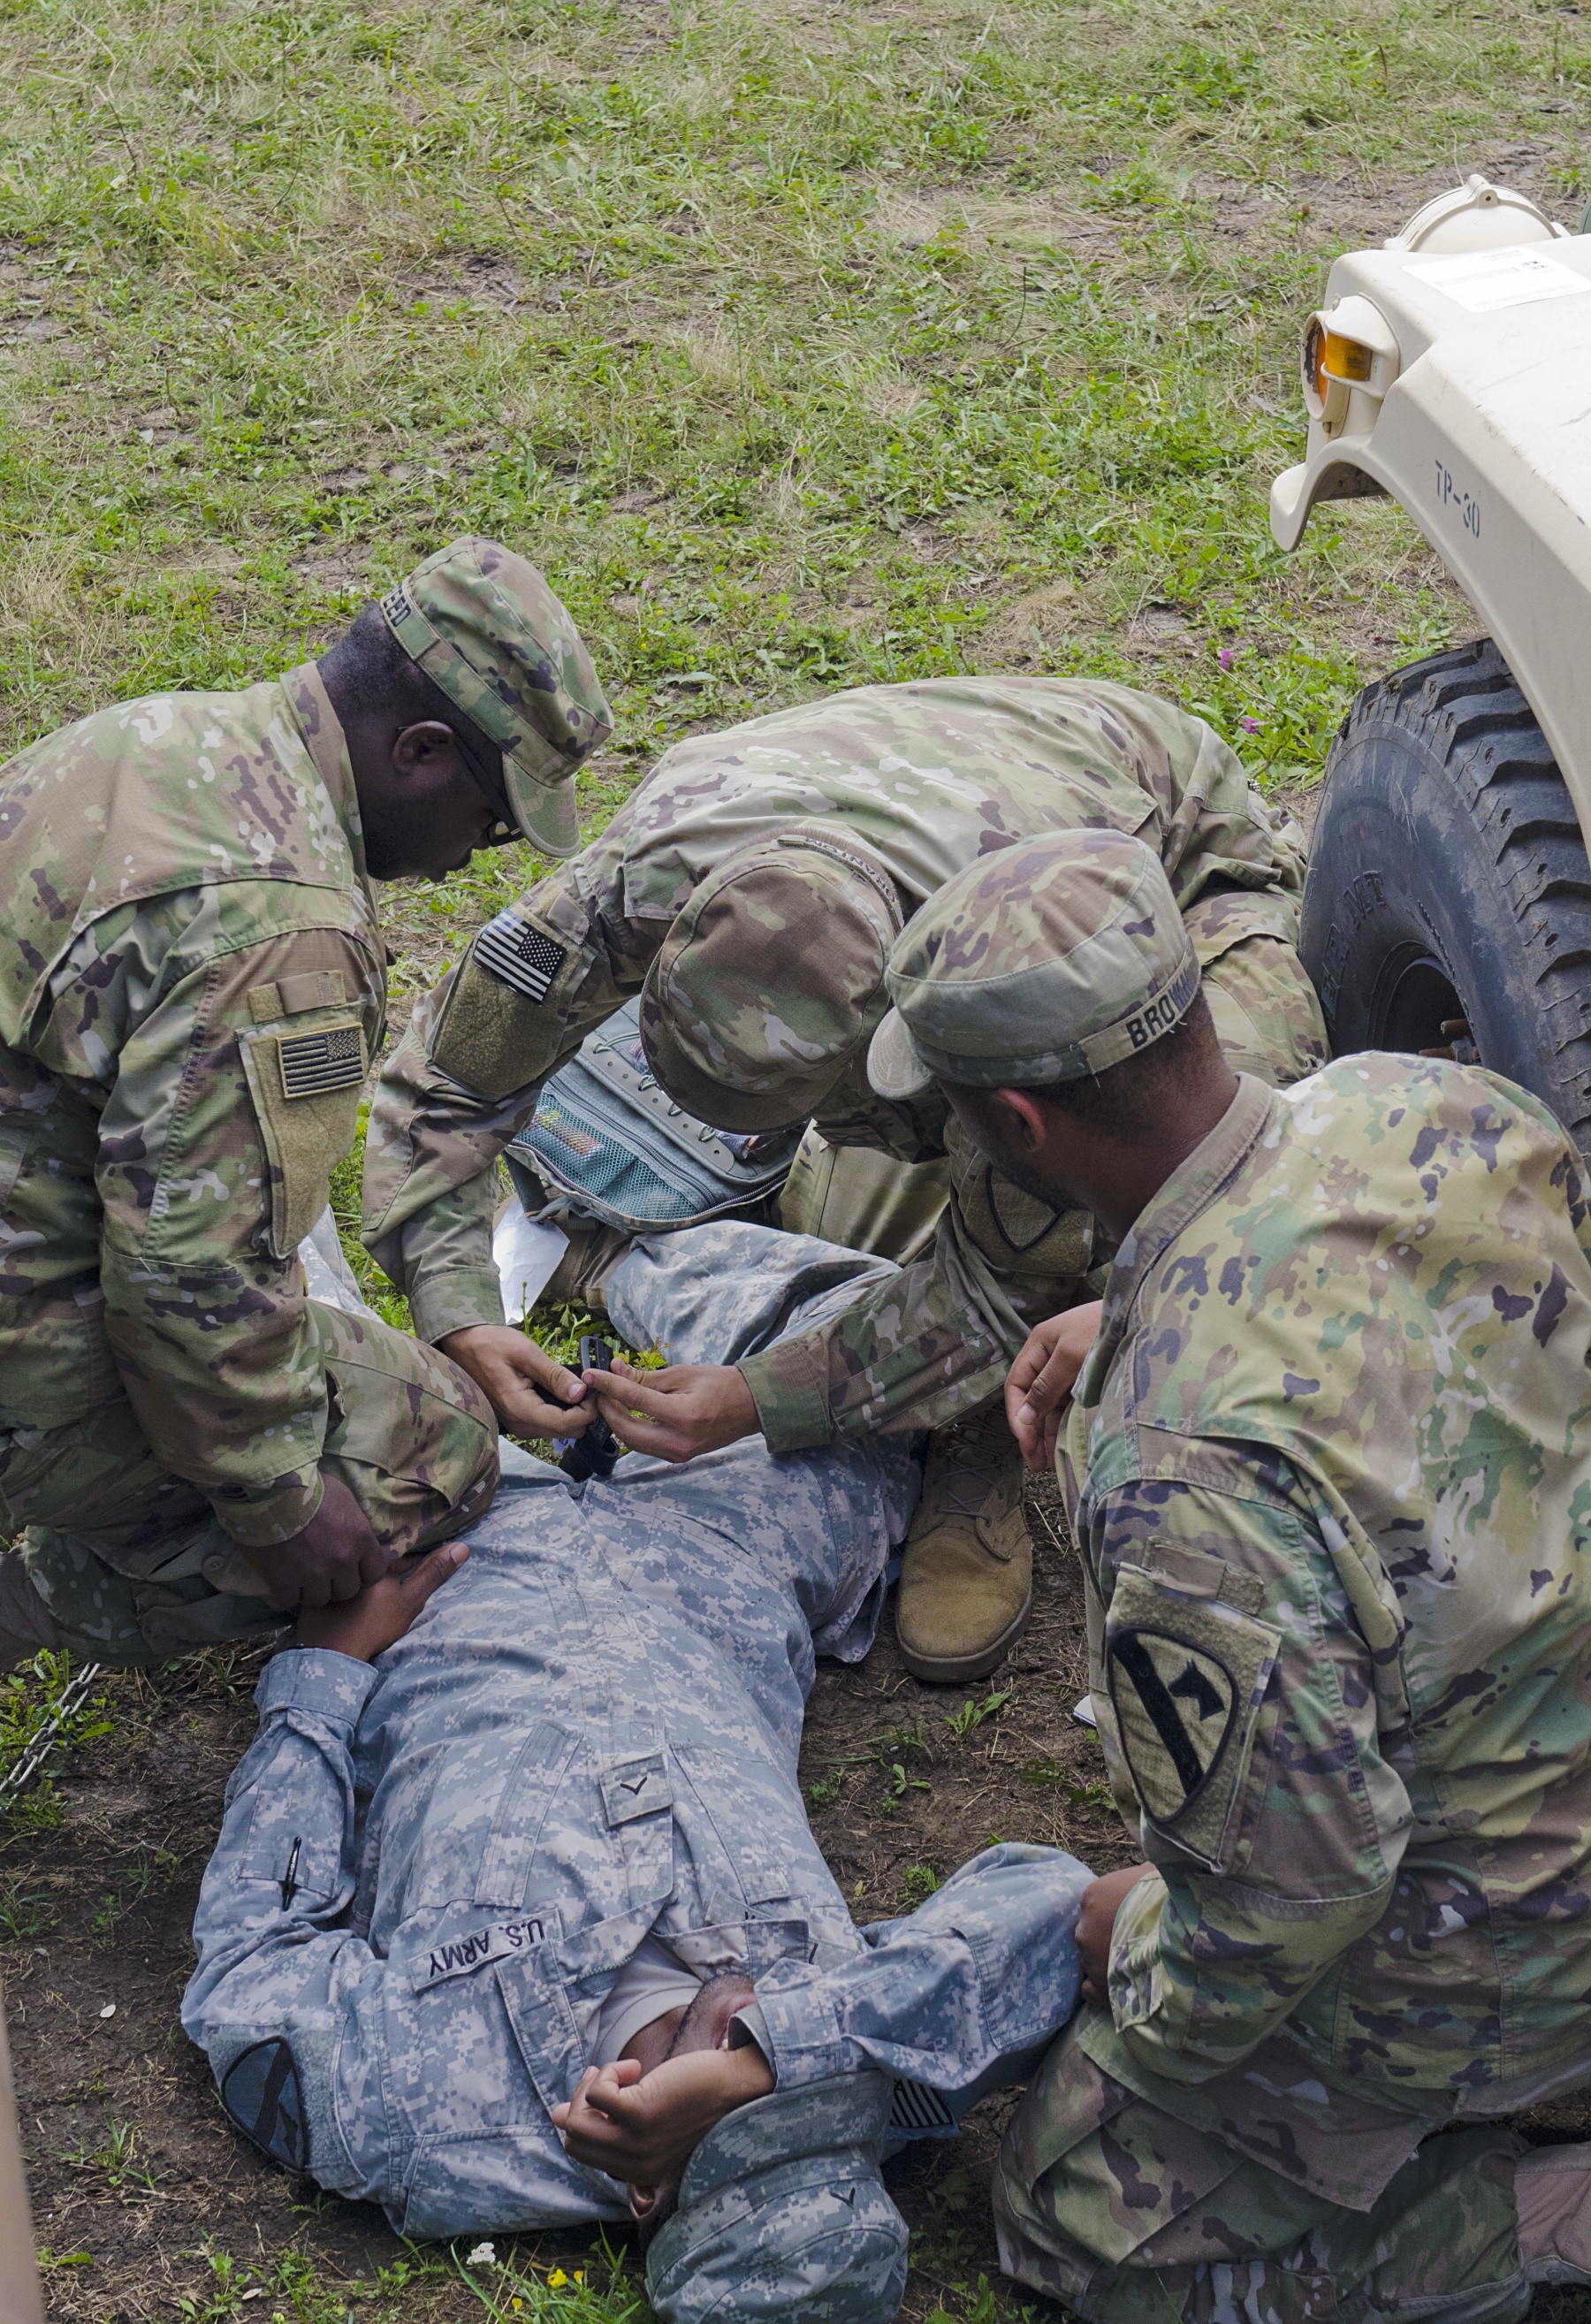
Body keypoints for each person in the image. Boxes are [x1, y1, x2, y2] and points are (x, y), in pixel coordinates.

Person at [859, 822, 1591, 2321]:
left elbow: (1289, 1898)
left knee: (1078, 2215)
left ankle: (1530, 2212)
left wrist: (1124, 1939)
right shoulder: (1429, 1102)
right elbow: (1401, 1353)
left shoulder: (1184, 1458)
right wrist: (1135, 1311)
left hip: (1506, 1943)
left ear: (1015, 1118)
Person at [180, 1223, 1094, 2321]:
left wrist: (324, 1671)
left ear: (650, 2187)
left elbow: (247, 1974)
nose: (761, 2024)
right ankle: (606, 1245)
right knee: (867, 1333)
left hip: (446, 1573)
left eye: (746, 2099)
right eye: (796, 2090)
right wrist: (782, 2057)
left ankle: (300, 1240)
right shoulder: (847, 2064)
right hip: (726, 1563)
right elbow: (1056, 1905)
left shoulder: (431, 2120)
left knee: (233, 1322)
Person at [362, 676, 1328, 1682]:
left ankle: (983, 1441)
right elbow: (447, 1079)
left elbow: (1001, 1283)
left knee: (1168, 1199)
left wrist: (753, 1399)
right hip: (935, 784)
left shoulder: (1013, 968)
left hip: (1161, 847)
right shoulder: (640, 877)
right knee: (859, 1249)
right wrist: (458, 1310)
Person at [0, 537, 612, 1672]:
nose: (469, 862)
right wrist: (281, 1503)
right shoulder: (287, 935)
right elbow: (190, 1274)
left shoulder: (150, 737)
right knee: (432, 1450)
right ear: (420, 750)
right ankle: (33, 1603)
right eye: (486, 824)